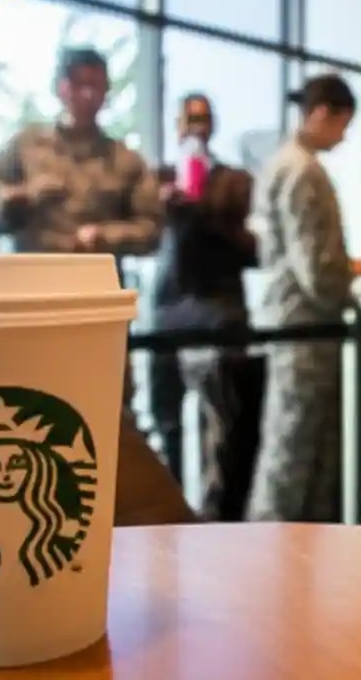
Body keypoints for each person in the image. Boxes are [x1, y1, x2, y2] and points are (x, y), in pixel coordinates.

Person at [246, 74, 357, 522]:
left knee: (300, 449)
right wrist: (349, 288)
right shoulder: (302, 170)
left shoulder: (282, 163)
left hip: (293, 321)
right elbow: (317, 267)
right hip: (305, 325)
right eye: (343, 124)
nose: (344, 136)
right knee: (293, 453)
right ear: (322, 114)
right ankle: (269, 559)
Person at [150, 93, 262, 520]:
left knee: (223, 427)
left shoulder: (234, 180)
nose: (195, 127)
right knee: (167, 421)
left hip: (219, 311)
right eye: (188, 119)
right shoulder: (158, 178)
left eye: (203, 119)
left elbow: (251, 246)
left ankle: (218, 520)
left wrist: (203, 212)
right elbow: (142, 232)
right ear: (176, 125)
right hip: (166, 312)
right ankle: (170, 511)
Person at [0, 47, 160, 257]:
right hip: (32, 276)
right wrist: (19, 196)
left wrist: (105, 236)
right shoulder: (26, 145)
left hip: (95, 280)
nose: (88, 94)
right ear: (62, 88)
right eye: (79, 84)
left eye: (96, 86)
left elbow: (151, 229)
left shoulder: (125, 161)